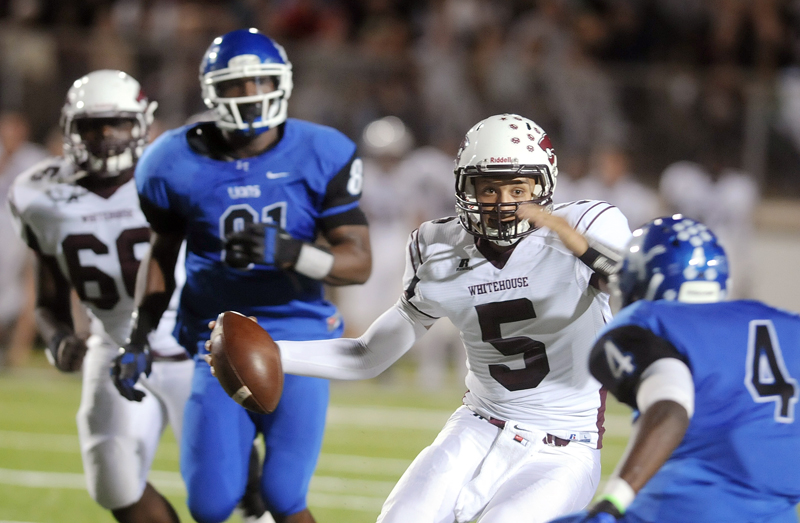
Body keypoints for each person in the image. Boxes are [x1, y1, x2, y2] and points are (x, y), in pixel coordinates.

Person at [209, 113, 632, 522]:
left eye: (518, 188)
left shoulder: (588, 225)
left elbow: (633, 281)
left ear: (544, 187)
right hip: (480, 424)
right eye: (487, 189)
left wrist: (571, 241)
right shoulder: (438, 248)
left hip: (564, 445)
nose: (503, 203)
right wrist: (271, 351)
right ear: (465, 187)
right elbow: (367, 355)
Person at [121, 28, 372, 523]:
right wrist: (139, 333)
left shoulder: (322, 151)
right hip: (212, 335)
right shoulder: (170, 161)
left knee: (284, 494)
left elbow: (358, 263)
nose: (249, 95)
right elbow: (161, 252)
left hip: (297, 336)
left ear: (282, 83)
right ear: (212, 91)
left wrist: (294, 253)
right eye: (235, 85)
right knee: (211, 504)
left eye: (259, 82)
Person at [7, 70, 193, 523]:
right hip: (113, 347)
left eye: (119, 124)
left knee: (231, 486)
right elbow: (49, 298)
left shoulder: (177, 175)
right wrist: (57, 339)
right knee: (113, 483)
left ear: (143, 124)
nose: (106, 135)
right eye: (93, 125)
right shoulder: (40, 196)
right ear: (71, 128)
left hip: (197, 346)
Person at [548, 215, 800, 523]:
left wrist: (612, 502)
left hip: (687, 507)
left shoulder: (653, 322)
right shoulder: (787, 326)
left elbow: (671, 406)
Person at [0, 111, 47, 367]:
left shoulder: (34, 158)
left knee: (31, 288)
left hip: (25, 232)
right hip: (2, 235)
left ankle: (18, 351)